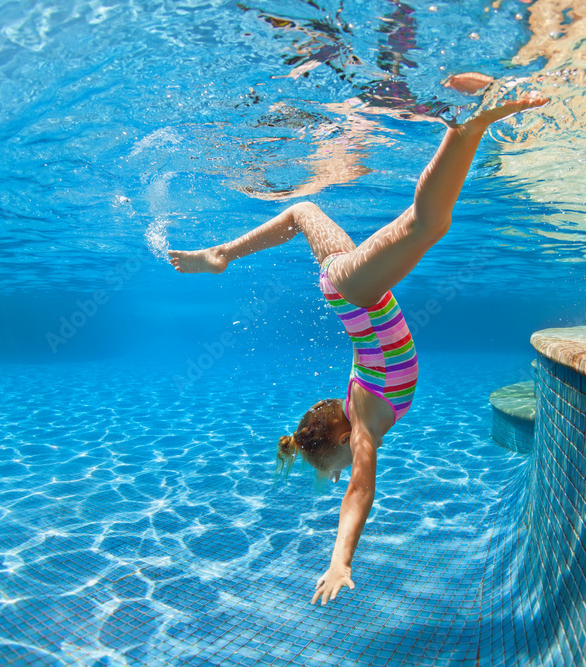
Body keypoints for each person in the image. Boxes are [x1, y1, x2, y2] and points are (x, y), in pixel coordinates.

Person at [169, 77, 547, 605]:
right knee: (304, 212)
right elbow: (350, 452)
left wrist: (340, 559)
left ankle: (469, 123)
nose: (348, 469)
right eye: (340, 468)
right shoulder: (351, 397)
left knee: (427, 224)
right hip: (344, 286)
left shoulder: (366, 421)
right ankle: (222, 255)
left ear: (344, 443)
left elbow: (360, 493)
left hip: (355, 288)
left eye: (339, 464)